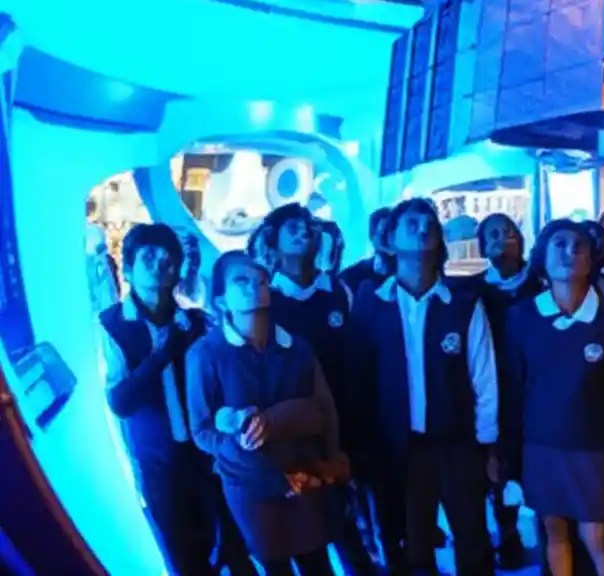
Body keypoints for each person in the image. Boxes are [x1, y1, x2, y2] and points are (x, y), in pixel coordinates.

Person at [350, 198, 499, 576]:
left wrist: (489, 444)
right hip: (398, 447)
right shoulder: (372, 303)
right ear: (390, 240)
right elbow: (358, 379)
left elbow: (483, 377)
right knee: (412, 545)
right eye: (411, 224)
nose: (422, 229)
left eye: (428, 223)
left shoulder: (462, 303)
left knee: (472, 539)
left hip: (458, 444)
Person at [98, 224, 251, 575]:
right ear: (129, 267)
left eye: (167, 259)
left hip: (209, 456)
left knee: (236, 544)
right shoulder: (111, 326)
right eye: (147, 257)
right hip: (158, 466)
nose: (158, 265)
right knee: (184, 557)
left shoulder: (196, 320)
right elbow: (120, 401)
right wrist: (162, 353)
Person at [186, 250, 345, 576]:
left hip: (302, 470)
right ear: (220, 300)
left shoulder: (295, 346)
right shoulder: (205, 354)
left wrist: (332, 456)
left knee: (316, 560)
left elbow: (323, 408)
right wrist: (237, 444)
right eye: (240, 281)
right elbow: (202, 430)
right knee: (275, 564)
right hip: (249, 481)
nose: (252, 287)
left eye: (259, 280)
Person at [500, 220, 604, 576]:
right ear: (542, 258)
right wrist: (507, 458)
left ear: (592, 259)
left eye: (578, 246)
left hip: (594, 449)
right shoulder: (521, 318)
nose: (569, 252)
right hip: (540, 446)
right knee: (554, 533)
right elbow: (513, 391)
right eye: (559, 244)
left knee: (597, 536)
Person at [256, 204, 374, 574]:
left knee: (362, 518)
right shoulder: (267, 301)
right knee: (317, 527)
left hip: (351, 421)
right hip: (301, 434)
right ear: (272, 244)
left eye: (307, 225)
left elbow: (361, 351)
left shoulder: (338, 290)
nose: (303, 231)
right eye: (291, 227)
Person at [456, 212, 537, 568]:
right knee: (497, 468)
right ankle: (507, 534)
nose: (501, 239)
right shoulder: (473, 290)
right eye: (492, 234)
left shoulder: (540, 282)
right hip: (494, 390)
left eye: (508, 232)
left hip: (536, 389)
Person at [340, 207, 395, 297]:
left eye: (395, 231)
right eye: (385, 232)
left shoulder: (412, 274)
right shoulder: (352, 276)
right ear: (372, 237)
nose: (391, 238)